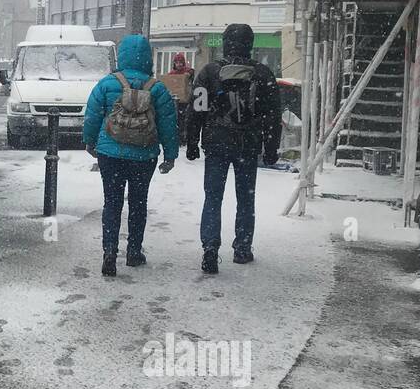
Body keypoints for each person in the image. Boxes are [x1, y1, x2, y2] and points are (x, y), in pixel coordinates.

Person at [184, 23, 282, 274]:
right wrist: (271, 147)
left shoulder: (209, 72)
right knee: (246, 198)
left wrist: (192, 142)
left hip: (217, 142)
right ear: (250, 45)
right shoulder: (262, 74)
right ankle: (242, 247)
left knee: (213, 197)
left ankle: (210, 248)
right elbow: (272, 115)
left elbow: (197, 109)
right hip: (248, 144)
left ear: (226, 43)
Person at [82, 34, 179, 276]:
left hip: (110, 153)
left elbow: (93, 116)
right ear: (148, 58)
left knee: (112, 203)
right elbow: (168, 123)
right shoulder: (157, 88)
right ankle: (134, 251)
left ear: (122, 55)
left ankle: (109, 252)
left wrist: (90, 142)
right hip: (143, 155)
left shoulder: (107, 84)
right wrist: (170, 154)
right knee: (138, 203)